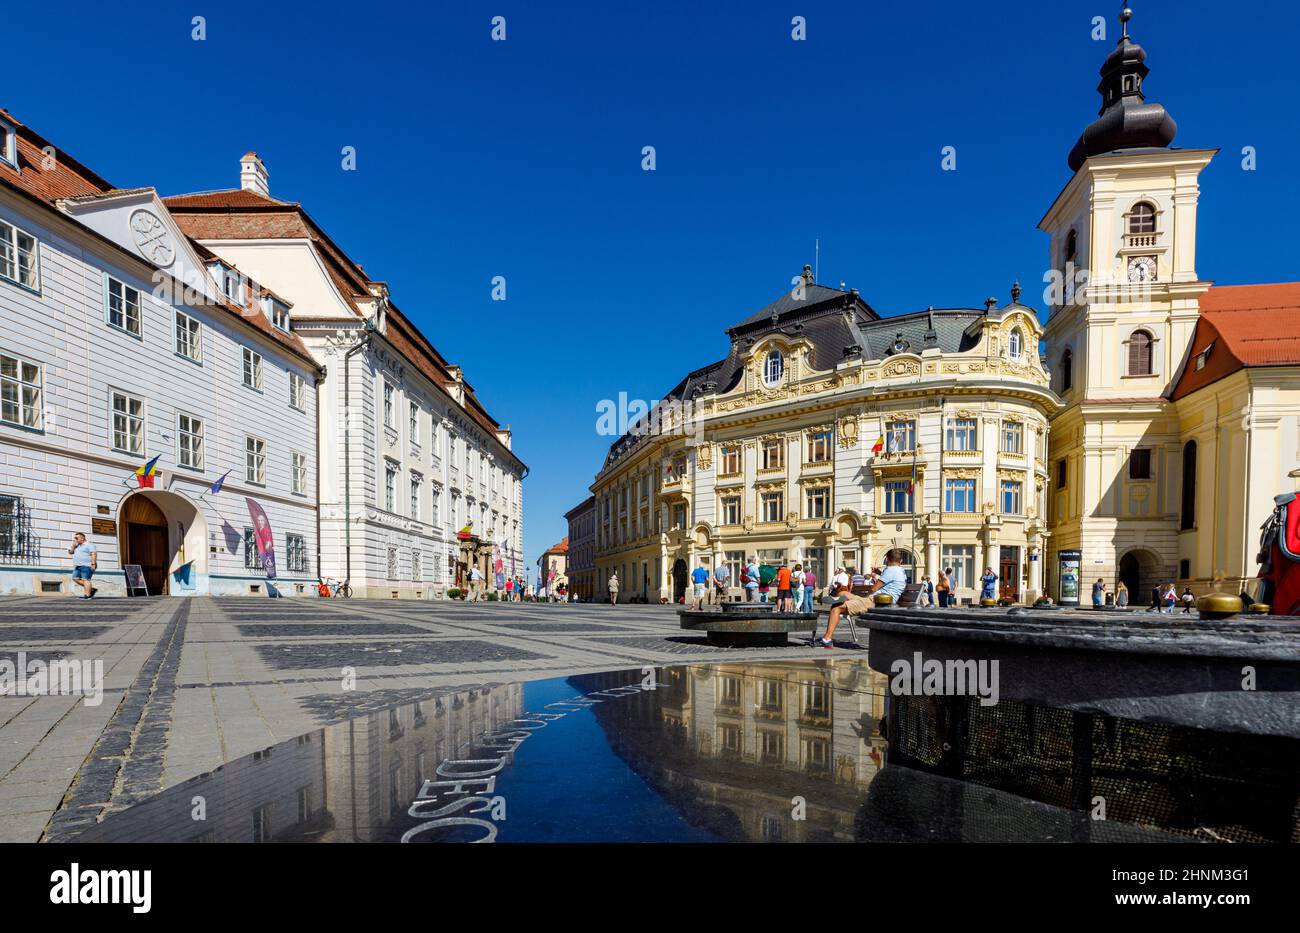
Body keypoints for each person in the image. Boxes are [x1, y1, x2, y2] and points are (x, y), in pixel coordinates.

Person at [68, 532, 97, 598]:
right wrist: (73, 545)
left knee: (86, 580)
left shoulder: (89, 545)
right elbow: (70, 552)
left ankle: (87, 595)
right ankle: (91, 589)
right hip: (77, 566)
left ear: (82, 538)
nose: (75, 539)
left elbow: (93, 554)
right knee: (75, 578)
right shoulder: (77, 546)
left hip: (87, 565)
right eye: (74, 538)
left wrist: (93, 563)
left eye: (76, 538)